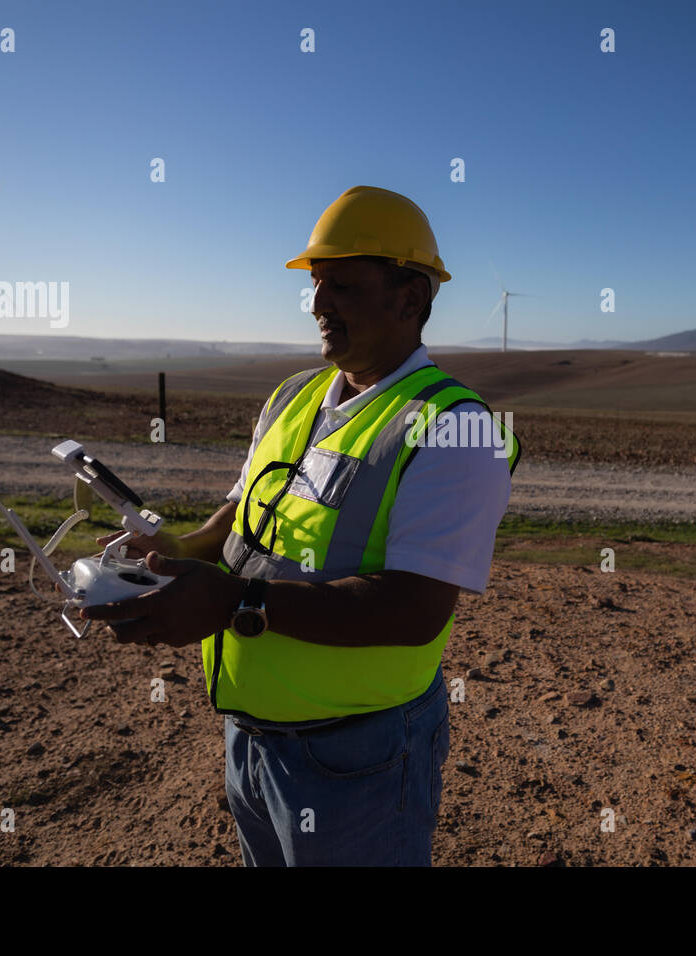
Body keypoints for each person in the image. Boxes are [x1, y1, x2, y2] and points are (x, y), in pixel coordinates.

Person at [82, 185, 520, 866]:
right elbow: (241, 523)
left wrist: (231, 601)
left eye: (341, 286)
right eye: (316, 286)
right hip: (250, 736)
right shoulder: (296, 394)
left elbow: (413, 610)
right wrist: (168, 556)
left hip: (359, 756)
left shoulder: (453, 430)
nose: (317, 306)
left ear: (409, 299)